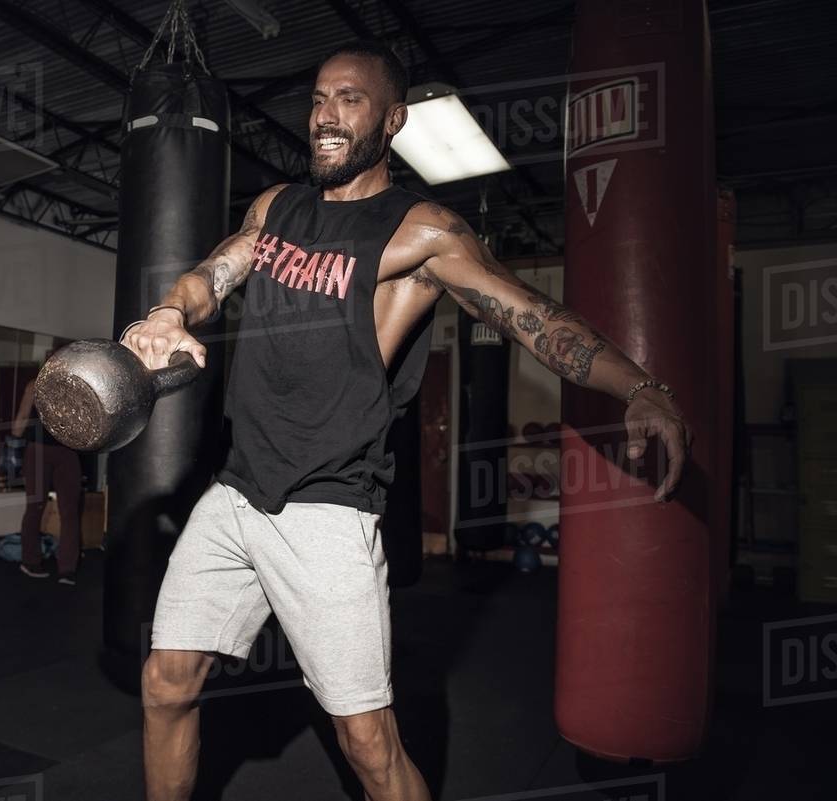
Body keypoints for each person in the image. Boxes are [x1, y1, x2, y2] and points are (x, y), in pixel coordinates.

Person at [120, 41, 693, 801]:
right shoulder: (276, 208)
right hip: (235, 493)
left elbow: (531, 318)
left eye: (349, 100)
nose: (325, 116)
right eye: (318, 99)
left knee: (367, 744)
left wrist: (640, 385)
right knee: (165, 683)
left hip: (327, 508)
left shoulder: (421, 232)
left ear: (392, 120)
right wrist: (168, 311)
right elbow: (211, 275)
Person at [10, 376, 84, 586]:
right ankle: (30, 561)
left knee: (69, 510)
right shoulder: (35, 384)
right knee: (36, 506)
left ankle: (67, 568)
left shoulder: (76, 385)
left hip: (67, 451)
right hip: (39, 450)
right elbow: (22, 418)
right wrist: (12, 446)